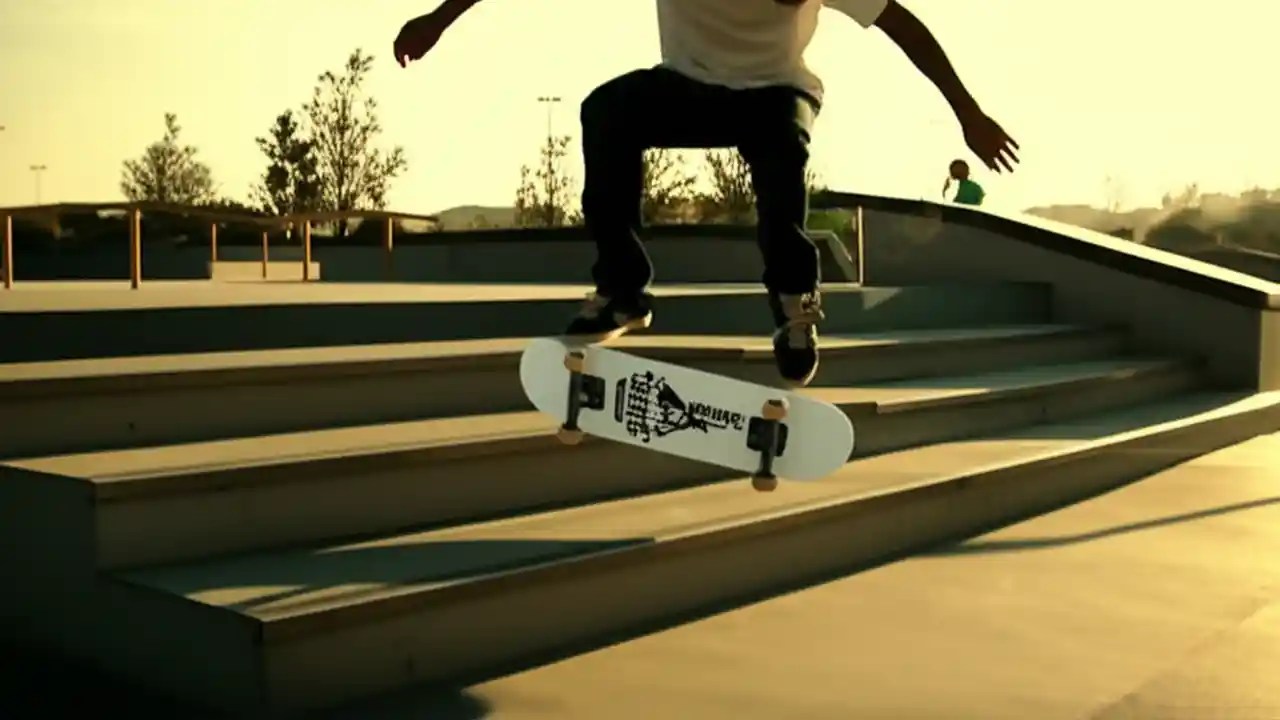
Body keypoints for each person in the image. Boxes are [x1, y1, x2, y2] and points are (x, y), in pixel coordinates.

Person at [394, 0, 1020, 387]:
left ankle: (794, 300)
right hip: (687, 86)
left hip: (777, 91)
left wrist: (969, 113)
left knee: (782, 154)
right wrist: (439, 19)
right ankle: (622, 289)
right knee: (605, 113)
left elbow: (900, 23)